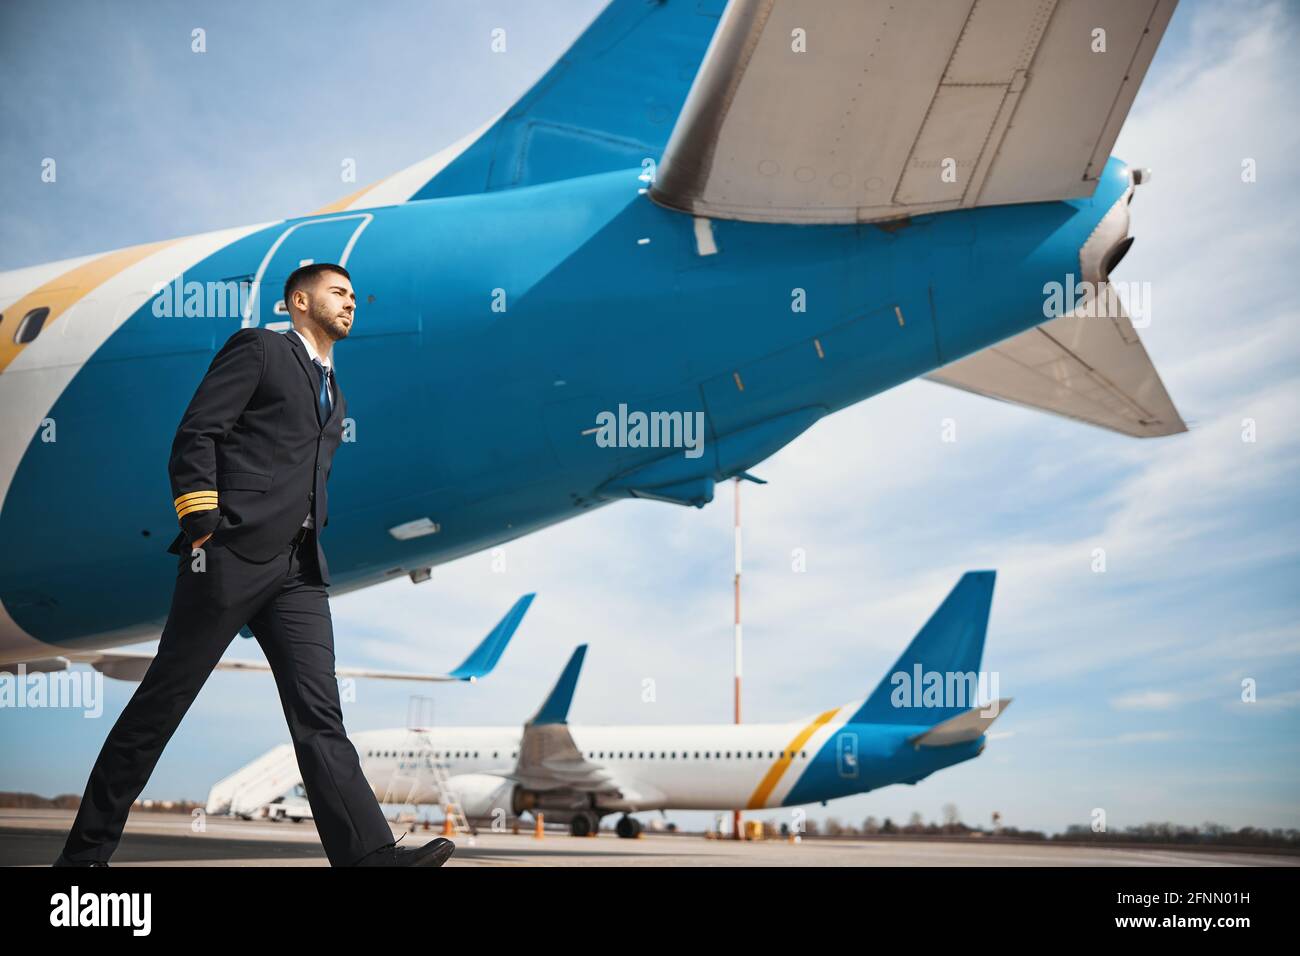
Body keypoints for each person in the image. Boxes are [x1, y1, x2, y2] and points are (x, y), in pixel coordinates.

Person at [54, 262, 453, 867]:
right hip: (232, 553)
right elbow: (196, 435)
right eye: (338, 293)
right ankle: (83, 861)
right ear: (299, 300)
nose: (351, 303)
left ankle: (369, 857)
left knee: (320, 715)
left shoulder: (334, 389)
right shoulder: (260, 349)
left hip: (300, 570)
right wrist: (203, 527)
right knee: (161, 705)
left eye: (354, 297)